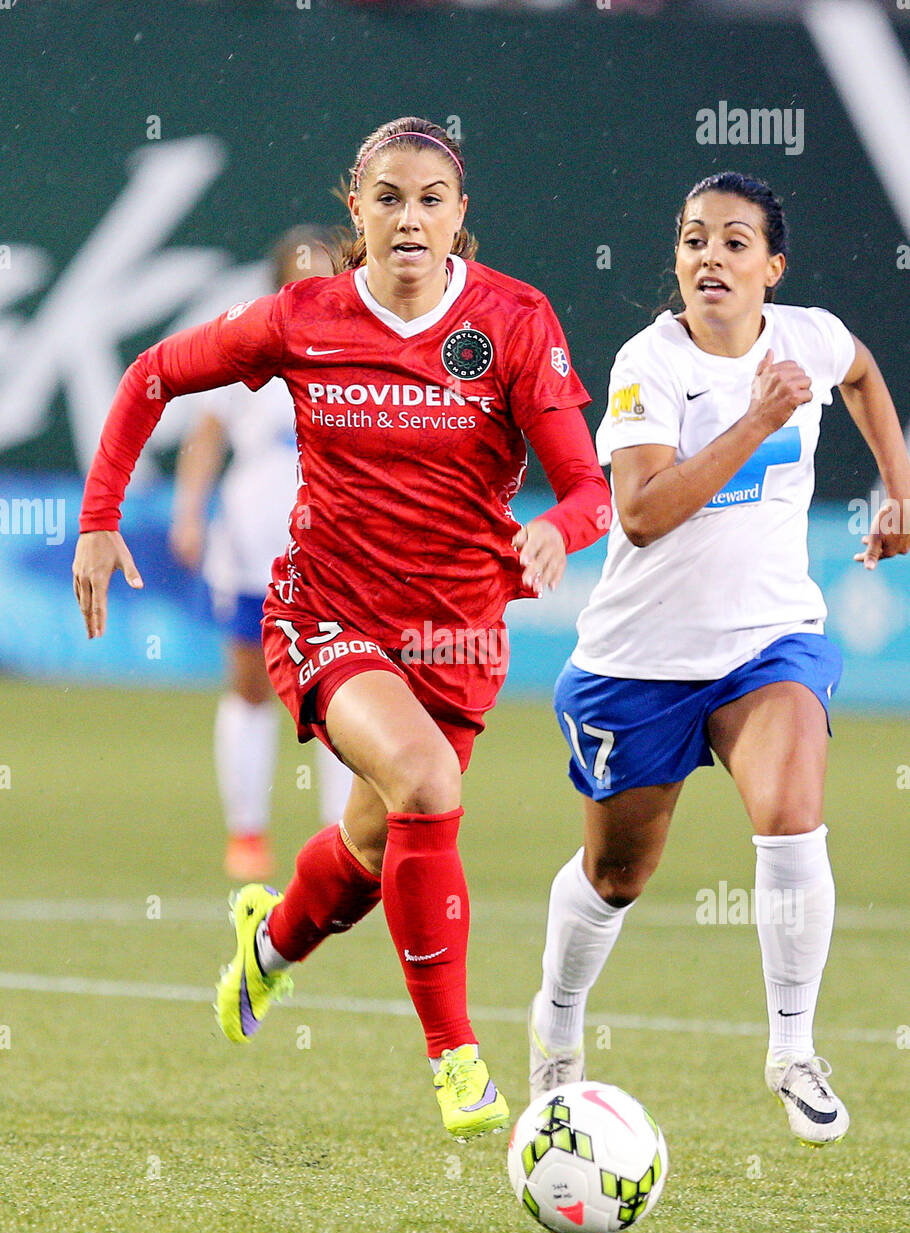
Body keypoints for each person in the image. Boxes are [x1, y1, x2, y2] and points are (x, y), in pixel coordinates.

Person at [72, 115, 612, 1141]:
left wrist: (553, 529)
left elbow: (588, 486)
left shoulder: (512, 322)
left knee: (371, 847)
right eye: (388, 197)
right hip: (325, 613)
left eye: (431, 199)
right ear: (354, 210)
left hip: (457, 639)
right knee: (425, 783)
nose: (409, 217)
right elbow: (152, 376)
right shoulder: (301, 317)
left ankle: (269, 941)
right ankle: (455, 1056)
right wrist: (99, 518)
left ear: (462, 220)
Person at [529, 171, 910, 1146]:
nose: (710, 256)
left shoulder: (809, 339)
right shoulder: (646, 365)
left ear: (769, 268)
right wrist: (756, 419)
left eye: (735, 242)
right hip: (640, 661)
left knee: (791, 815)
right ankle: (557, 1024)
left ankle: (792, 1047)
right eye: (694, 238)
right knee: (618, 872)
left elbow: (861, 370)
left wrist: (897, 491)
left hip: (766, 640)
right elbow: (643, 513)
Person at [168, 227, 353, 880]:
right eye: (297, 273)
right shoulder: (246, 341)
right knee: (250, 686)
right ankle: (247, 832)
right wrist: (190, 510)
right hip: (252, 538)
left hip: (338, 544)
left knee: (341, 689)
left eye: (322, 272)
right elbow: (205, 433)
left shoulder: (367, 346)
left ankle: (341, 841)